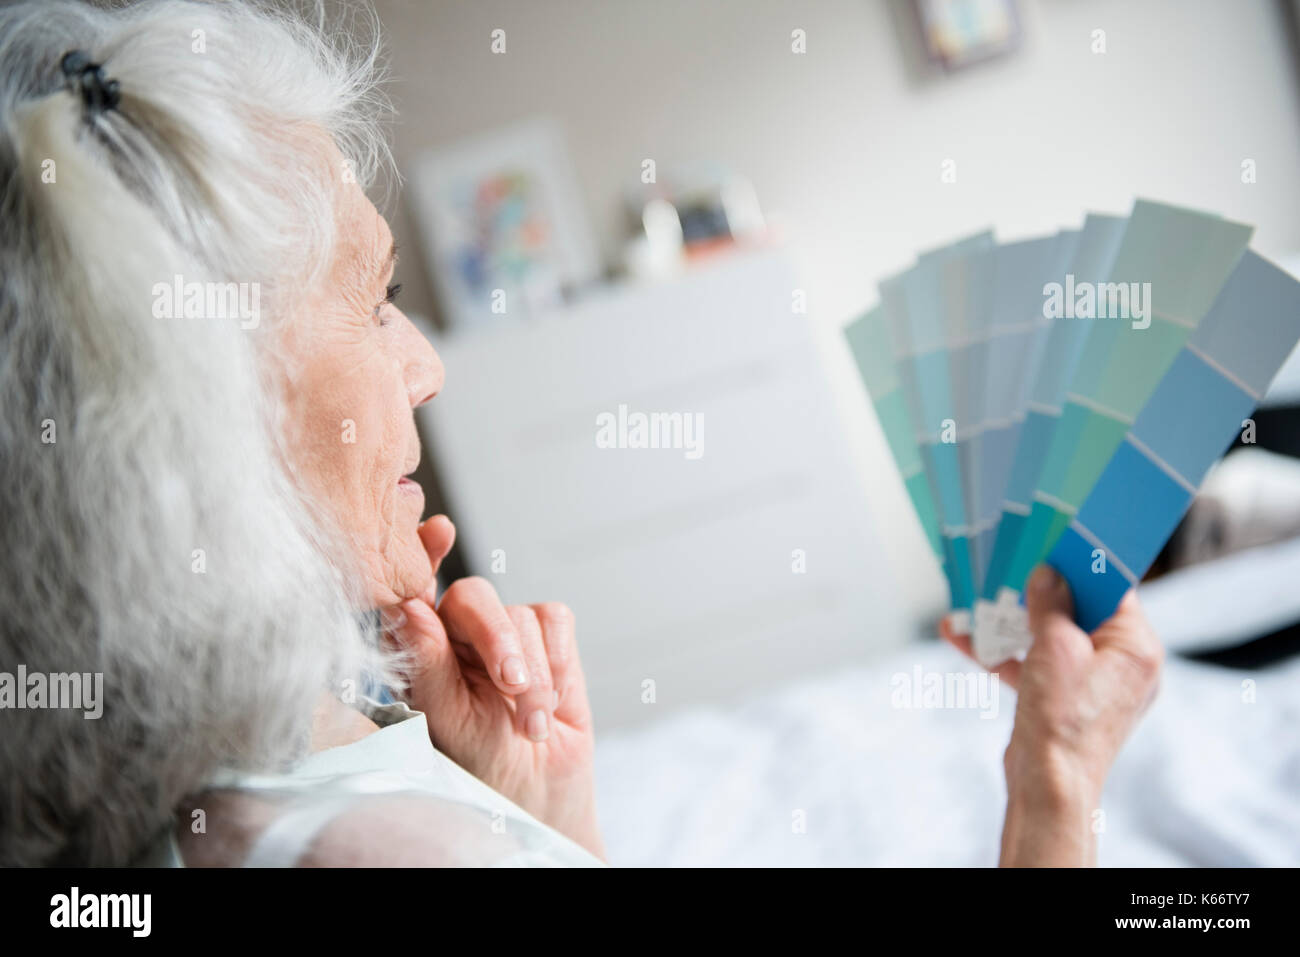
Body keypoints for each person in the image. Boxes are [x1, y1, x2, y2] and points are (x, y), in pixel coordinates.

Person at [0, 0, 1162, 867]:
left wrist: (543, 815)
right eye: (371, 299)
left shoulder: (242, 784)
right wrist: (1057, 777)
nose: (426, 365)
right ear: (197, 417)